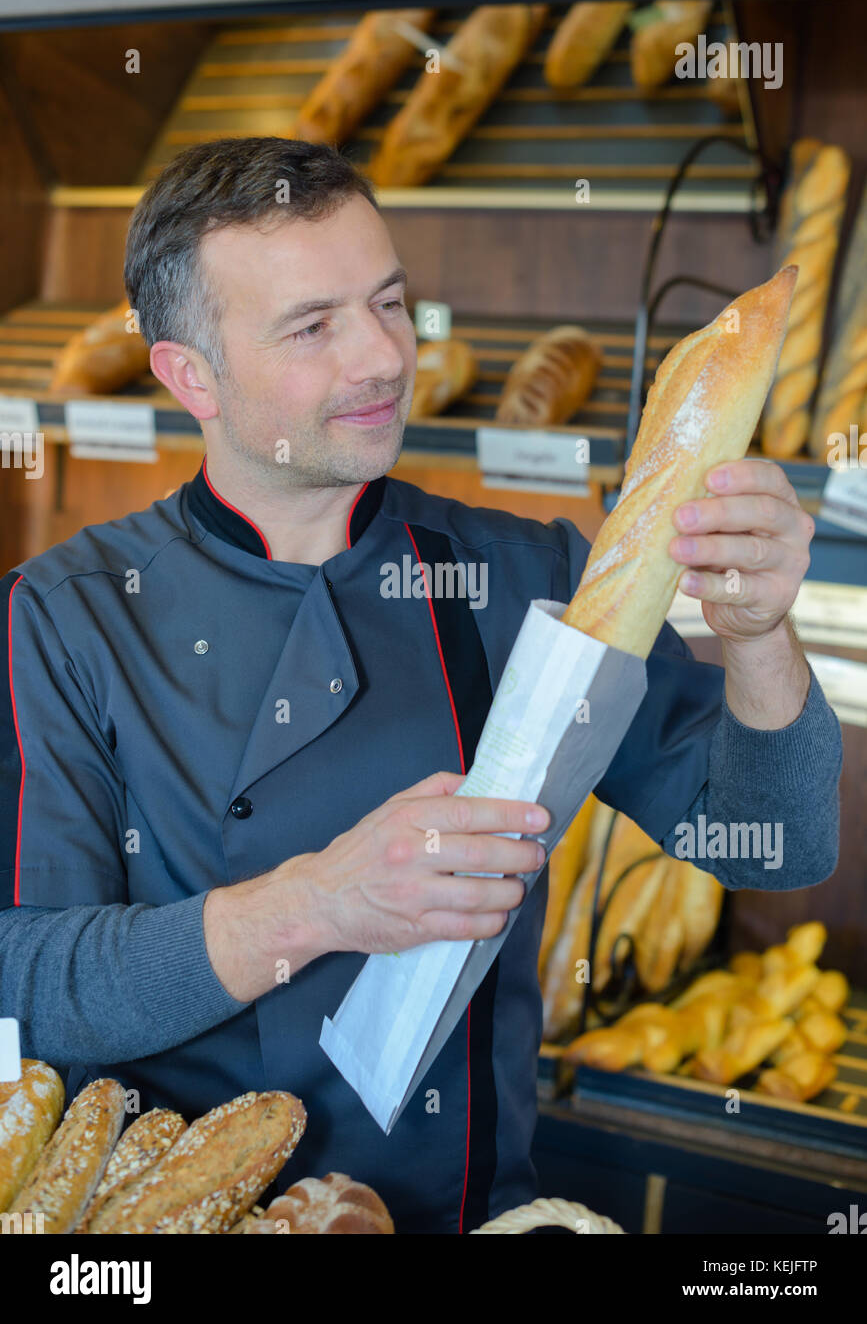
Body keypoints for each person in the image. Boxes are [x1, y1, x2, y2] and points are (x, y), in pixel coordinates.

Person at [0, 138, 841, 1233]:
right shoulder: (64, 615)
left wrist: (765, 634)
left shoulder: (528, 574)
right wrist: (320, 903)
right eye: (314, 326)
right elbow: (28, 980)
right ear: (187, 374)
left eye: (391, 303)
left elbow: (775, 843)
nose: (383, 356)